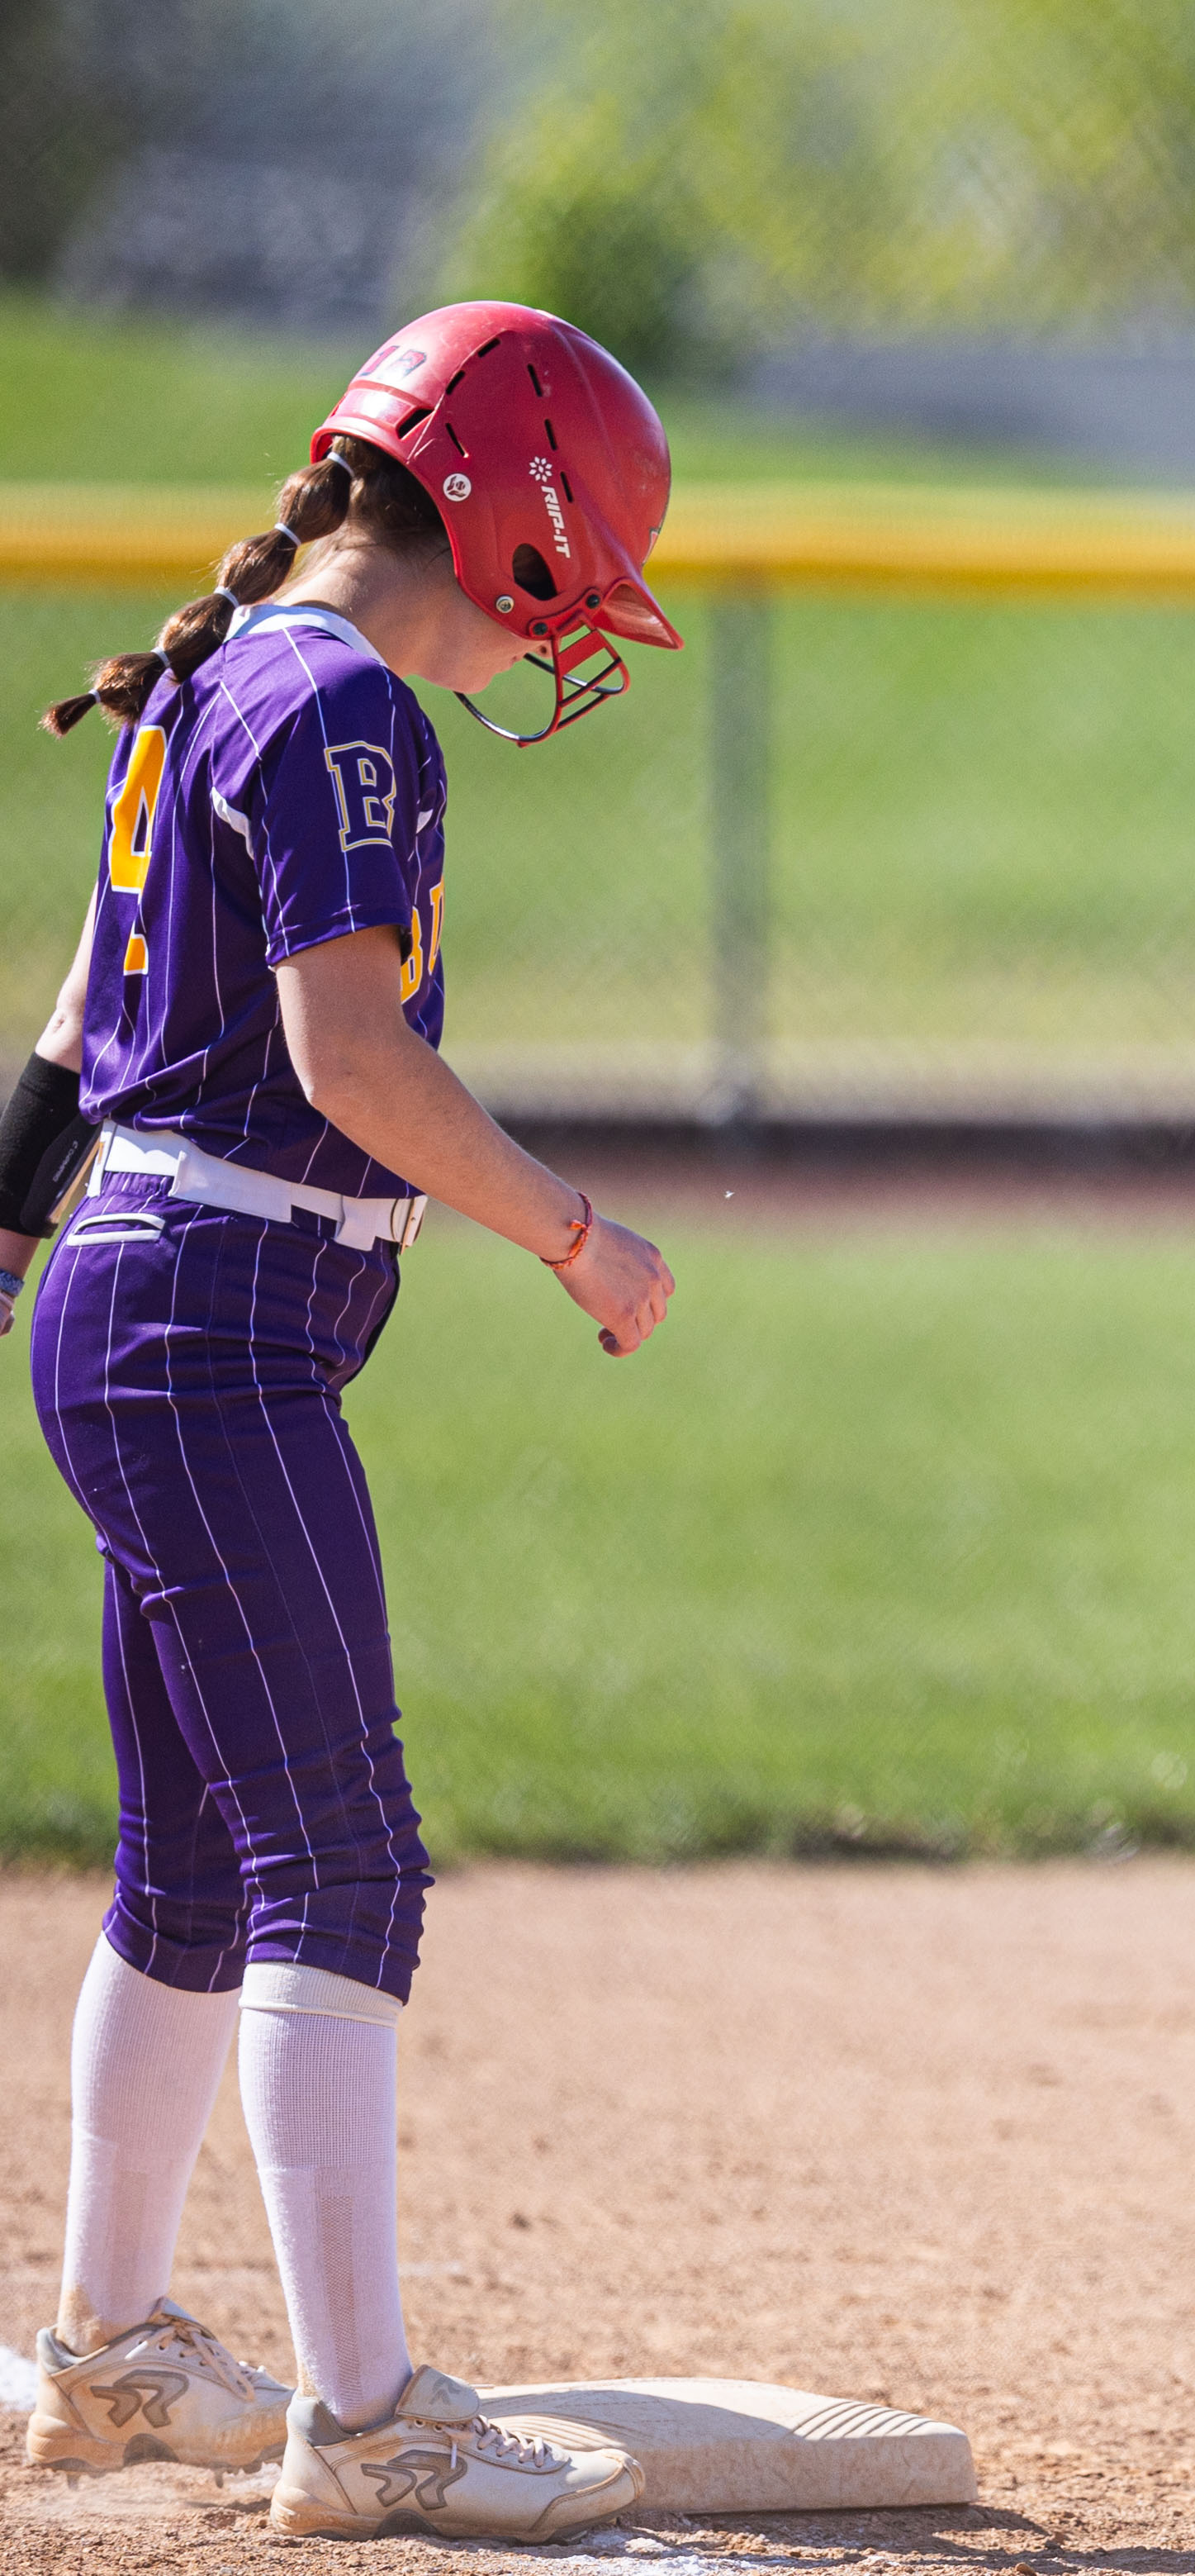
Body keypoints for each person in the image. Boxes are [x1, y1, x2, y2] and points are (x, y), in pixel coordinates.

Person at [13, 303, 680, 2544]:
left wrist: (10, 1223)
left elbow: (64, 1016)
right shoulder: (347, 703)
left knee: (198, 1858)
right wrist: (580, 1236)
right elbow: (355, 1065)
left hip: (136, 1295)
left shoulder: (221, 668)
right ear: (515, 521)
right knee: (343, 1857)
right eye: (570, 577)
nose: (562, 627)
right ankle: (369, 2414)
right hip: (213, 1310)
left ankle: (107, 2353)